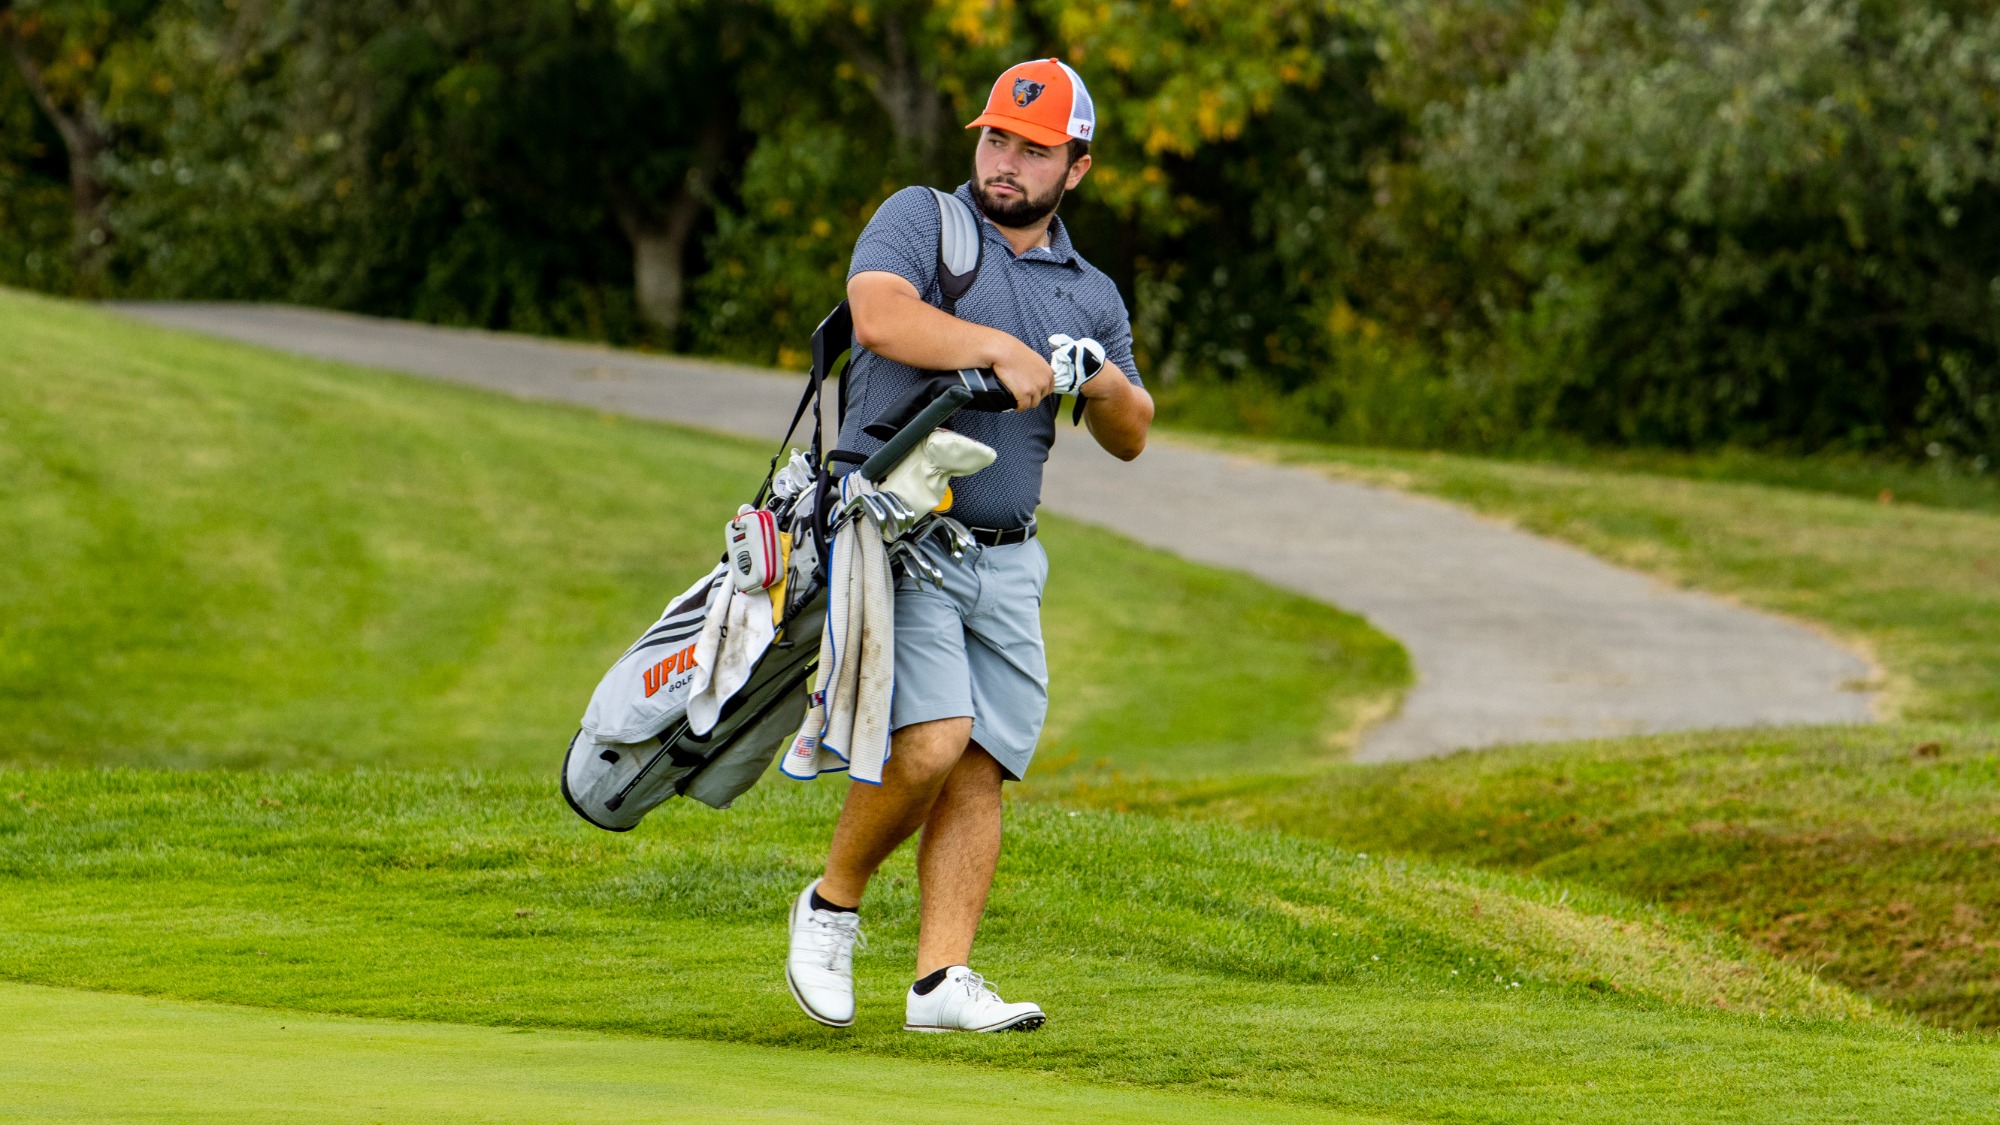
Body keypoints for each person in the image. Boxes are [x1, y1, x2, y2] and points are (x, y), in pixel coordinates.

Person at [784, 57, 1154, 1033]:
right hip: (903, 532)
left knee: (982, 760)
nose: (1005, 162)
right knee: (934, 741)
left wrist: (1097, 380)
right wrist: (995, 346)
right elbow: (878, 315)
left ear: (1075, 167)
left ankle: (939, 980)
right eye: (996, 139)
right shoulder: (923, 221)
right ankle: (830, 906)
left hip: (1009, 557)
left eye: (1032, 149)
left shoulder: (1091, 292)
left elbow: (1130, 432)